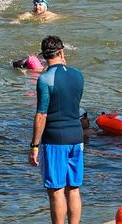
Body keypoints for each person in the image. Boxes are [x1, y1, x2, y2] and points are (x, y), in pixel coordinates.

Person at [29, 35, 85, 224]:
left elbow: (41, 115)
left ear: (44, 56)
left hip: (55, 139)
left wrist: (34, 146)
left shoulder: (45, 79)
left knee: (56, 190)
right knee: (74, 188)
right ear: (61, 52)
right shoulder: (78, 75)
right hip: (77, 137)